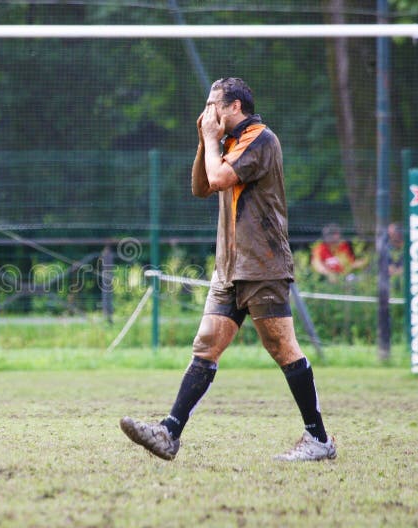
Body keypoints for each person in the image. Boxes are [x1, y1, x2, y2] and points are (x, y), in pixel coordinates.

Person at [119, 77, 336, 462]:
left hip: (262, 264)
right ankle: (169, 432)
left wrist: (212, 141)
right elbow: (202, 187)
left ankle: (318, 438)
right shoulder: (228, 143)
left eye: (213, 104)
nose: (207, 112)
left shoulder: (259, 139)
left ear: (234, 106)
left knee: (282, 347)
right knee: (206, 344)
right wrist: (206, 141)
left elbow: (219, 177)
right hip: (230, 267)